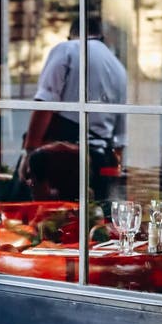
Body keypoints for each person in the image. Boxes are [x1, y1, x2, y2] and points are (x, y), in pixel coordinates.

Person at [19, 15, 127, 203]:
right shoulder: (118, 67)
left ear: (72, 35)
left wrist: (29, 153)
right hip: (98, 157)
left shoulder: (67, 49)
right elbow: (119, 139)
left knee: (22, 204)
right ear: (101, 37)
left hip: (61, 158)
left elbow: (45, 103)